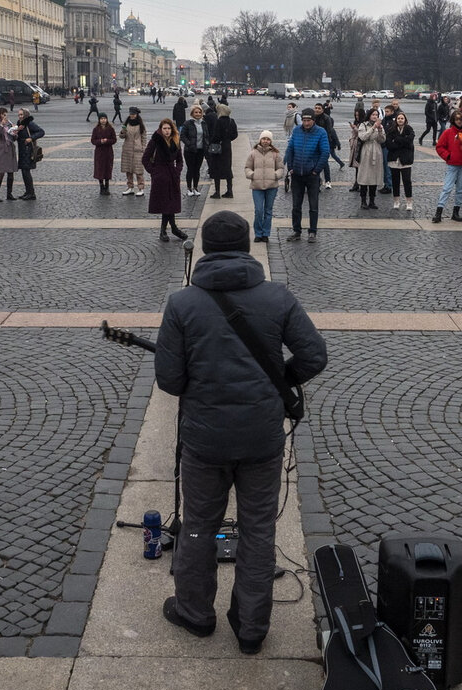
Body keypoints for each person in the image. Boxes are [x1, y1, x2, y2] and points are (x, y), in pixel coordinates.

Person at [155, 210, 327, 655]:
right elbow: (313, 356)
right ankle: (252, 627)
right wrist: (278, 382)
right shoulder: (277, 297)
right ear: (249, 246)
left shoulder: (182, 304)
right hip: (261, 439)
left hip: (205, 439)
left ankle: (194, 612)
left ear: (206, 250)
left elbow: (171, 381)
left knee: (197, 527)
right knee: (257, 531)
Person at [283, 108, 329, 242]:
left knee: (313, 205)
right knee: (296, 206)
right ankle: (296, 231)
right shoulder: (297, 130)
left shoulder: (321, 132)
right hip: (297, 174)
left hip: (312, 175)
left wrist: (316, 170)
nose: (306, 123)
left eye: (308, 120)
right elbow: (290, 148)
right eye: (304, 120)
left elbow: (325, 152)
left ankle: (312, 232)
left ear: (313, 121)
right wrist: (290, 167)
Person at [142, 118, 186, 242]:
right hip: (160, 177)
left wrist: (177, 171)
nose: (167, 131)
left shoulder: (176, 141)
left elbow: (180, 160)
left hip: (172, 175)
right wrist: (154, 172)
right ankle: (169, 229)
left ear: (172, 129)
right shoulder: (155, 141)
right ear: (161, 130)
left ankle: (169, 229)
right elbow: (145, 159)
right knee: (166, 204)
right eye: (164, 128)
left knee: (170, 204)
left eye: (168, 128)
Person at [244, 130, 284, 242]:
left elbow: (280, 168)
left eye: (268, 139)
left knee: (268, 210)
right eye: (263, 139)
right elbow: (247, 167)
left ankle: (266, 233)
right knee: (258, 210)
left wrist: (276, 175)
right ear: (260, 140)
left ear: (271, 141)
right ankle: (258, 233)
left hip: (271, 186)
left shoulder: (275, 154)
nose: (265, 141)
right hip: (257, 186)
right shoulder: (253, 153)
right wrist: (252, 175)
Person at [434, 110, 462, 223]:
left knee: (461, 189)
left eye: (461, 119)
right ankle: (439, 211)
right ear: (453, 120)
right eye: (457, 119)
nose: (459, 122)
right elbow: (440, 147)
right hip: (453, 164)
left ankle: (456, 211)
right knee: (447, 188)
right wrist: (448, 156)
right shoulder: (448, 132)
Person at [355, 108, 386, 210]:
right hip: (366, 152)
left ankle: (372, 201)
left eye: (376, 115)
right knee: (365, 177)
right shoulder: (363, 125)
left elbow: (382, 140)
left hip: (376, 151)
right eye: (373, 114)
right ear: (369, 115)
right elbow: (363, 137)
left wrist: (380, 130)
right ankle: (363, 201)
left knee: (374, 177)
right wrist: (373, 128)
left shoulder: (380, 126)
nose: (375, 116)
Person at [387, 111, 416, 212]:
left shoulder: (409, 129)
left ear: (405, 120)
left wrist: (397, 140)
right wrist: (402, 141)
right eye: (398, 118)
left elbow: (409, 142)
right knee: (395, 181)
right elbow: (389, 144)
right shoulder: (391, 130)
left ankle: (409, 201)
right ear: (396, 120)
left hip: (406, 159)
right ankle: (396, 200)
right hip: (394, 159)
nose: (400, 120)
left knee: (407, 181)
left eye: (402, 118)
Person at [208, 103, 238, 199]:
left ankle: (217, 192)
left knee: (216, 169)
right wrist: (228, 140)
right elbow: (235, 134)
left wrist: (212, 142)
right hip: (227, 146)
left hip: (218, 147)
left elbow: (216, 135)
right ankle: (229, 190)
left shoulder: (219, 121)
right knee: (228, 168)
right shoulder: (231, 121)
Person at [180, 104, 210, 197]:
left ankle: (195, 188)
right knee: (190, 169)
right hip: (190, 150)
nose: (198, 114)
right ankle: (189, 188)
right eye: (196, 112)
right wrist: (189, 144)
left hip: (200, 150)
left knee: (197, 170)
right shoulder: (188, 123)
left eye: (199, 112)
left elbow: (206, 135)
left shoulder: (203, 123)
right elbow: (182, 136)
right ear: (192, 113)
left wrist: (206, 145)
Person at [14, 108, 44, 200]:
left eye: (21, 115)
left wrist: (31, 138)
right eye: (19, 115)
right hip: (22, 150)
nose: (20, 116)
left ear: (26, 115)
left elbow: (41, 132)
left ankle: (31, 193)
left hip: (28, 150)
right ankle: (28, 192)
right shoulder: (20, 124)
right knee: (24, 171)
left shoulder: (29, 123)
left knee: (26, 171)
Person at [118, 107, 148, 197]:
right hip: (127, 148)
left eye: (133, 114)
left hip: (138, 149)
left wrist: (143, 148)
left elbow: (144, 137)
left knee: (139, 170)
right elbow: (121, 136)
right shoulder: (126, 123)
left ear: (137, 115)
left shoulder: (141, 125)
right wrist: (123, 132)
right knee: (128, 170)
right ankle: (130, 187)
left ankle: (141, 188)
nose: (132, 116)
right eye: (131, 114)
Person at [0, 107, 18, 202]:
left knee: (11, 172)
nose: (5, 117)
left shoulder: (10, 123)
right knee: (1, 172)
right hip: (1, 149)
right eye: (3, 114)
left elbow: (14, 138)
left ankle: (9, 194)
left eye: (6, 114)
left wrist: (15, 133)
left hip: (10, 148)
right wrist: (1, 125)